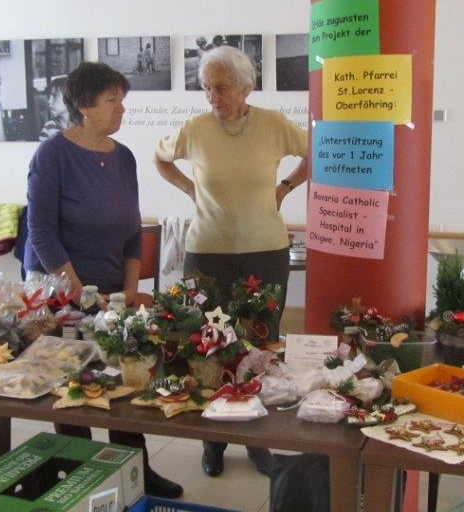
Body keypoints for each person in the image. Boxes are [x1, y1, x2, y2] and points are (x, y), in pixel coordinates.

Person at [24, 61, 183, 498]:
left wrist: (131, 291)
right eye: (112, 101)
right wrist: (80, 294)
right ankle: (76, 478)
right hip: (62, 290)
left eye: (122, 101)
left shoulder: (124, 157)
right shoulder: (52, 155)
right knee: (75, 385)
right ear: (83, 106)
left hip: (112, 290)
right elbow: (41, 233)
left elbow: (133, 230)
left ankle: (137, 473)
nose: (121, 110)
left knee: (124, 382)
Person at [154, 45, 308, 477]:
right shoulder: (196, 129)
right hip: (208, 253)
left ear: (245, 87)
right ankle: (214, 443)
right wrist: (190, 190)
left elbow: (317, 150)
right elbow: (160, 159)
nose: (212, 97)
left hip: (265, 250)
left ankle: (258, 440)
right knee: (209, 347)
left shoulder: (274, 125)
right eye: (206, 88)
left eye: (220, 87)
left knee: (261, 347)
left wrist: (284, 188)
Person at [39, 76, 68, 141]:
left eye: (55, 96)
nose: (49, 101)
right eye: (49, 96)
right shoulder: (49, 127)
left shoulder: (83, 126)